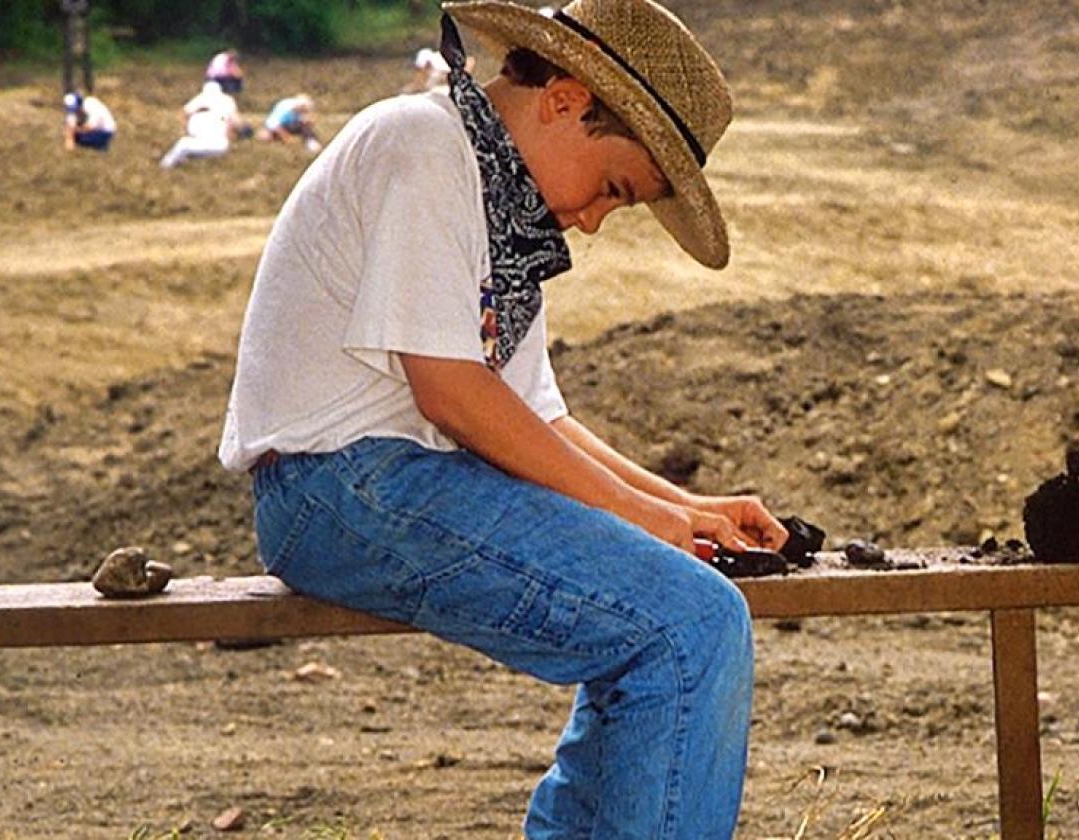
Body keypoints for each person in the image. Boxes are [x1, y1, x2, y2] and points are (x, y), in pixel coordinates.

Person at [219, 0, 775, 835]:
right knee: (691, 625)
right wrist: (643, 517)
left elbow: (534, 419)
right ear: (565, 98)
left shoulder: (499, 208)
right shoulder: (423, 146)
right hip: (335, 485)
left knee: (669, 624)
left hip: (391, 483)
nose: (592, 220)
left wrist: (688, 511)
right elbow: (454, 394)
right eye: (614, 190)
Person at [159, 81, 238, 168]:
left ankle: (167, 164)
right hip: (220, 143)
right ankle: (188, 158)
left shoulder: (202, 98)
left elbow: (185, 112)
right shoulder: (228, 100)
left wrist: (184, 127)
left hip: (203, 138)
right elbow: (234, 122)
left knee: (184, 144)